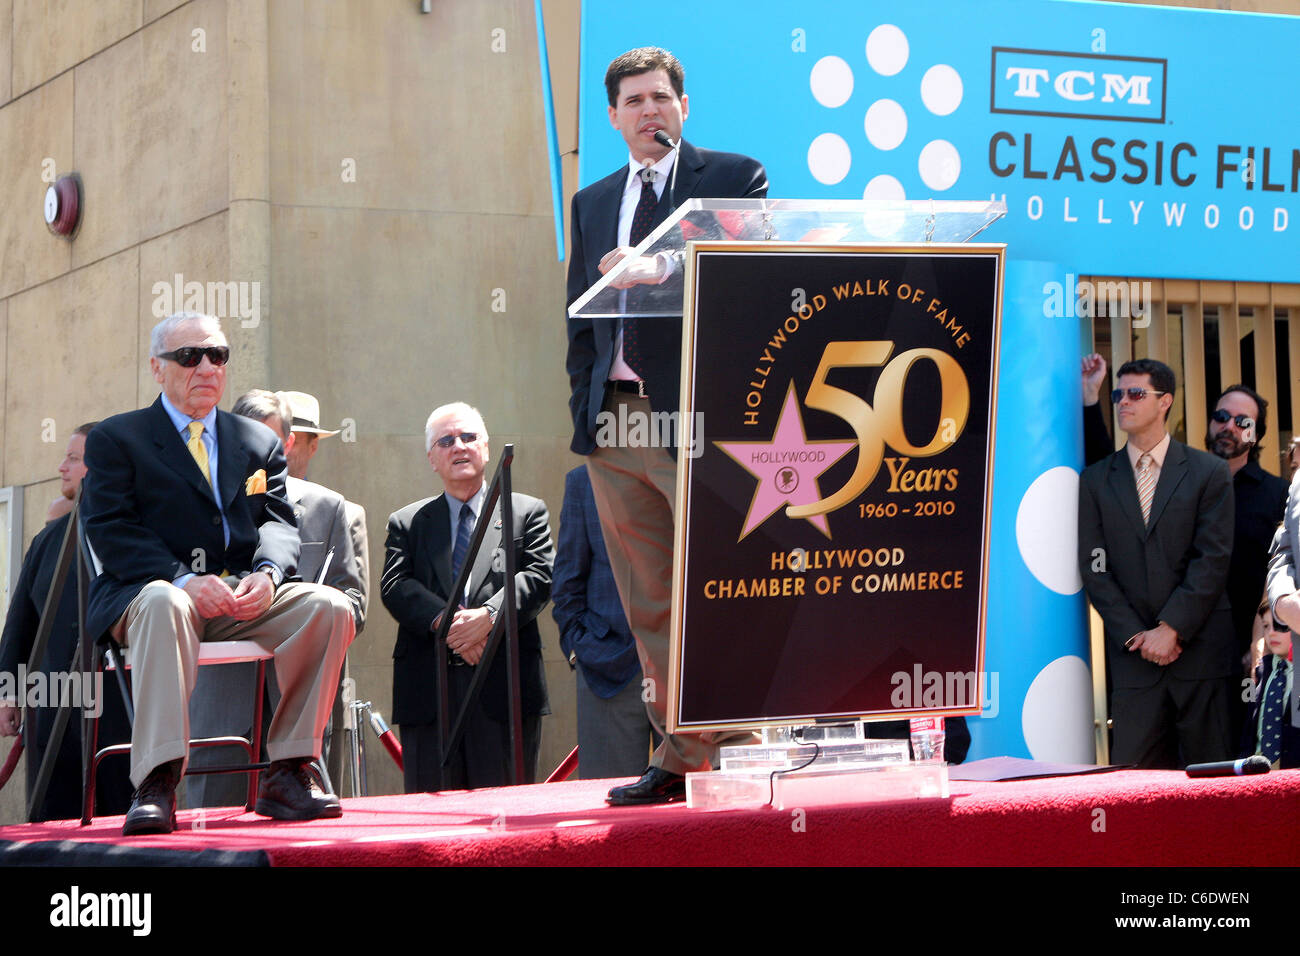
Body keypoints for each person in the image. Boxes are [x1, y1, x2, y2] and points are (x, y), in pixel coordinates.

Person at [564, 46, 767, 805]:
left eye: (661, 97)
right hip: (616, 424)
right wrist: (583, 412)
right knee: (648, 599)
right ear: (614, 117)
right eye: (634, 101)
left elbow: (753, 265)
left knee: (717, 587)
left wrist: (667, 267)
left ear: (686, 106)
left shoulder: (732, 177)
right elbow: (577, 326)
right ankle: (680, 755)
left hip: (697, 417)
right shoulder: (591, 203)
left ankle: (742, 749)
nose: (650, 110)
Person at [80, 312, 355, 835]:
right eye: (189, 356)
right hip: (148, 597)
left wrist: (270, 573)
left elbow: (278, 521)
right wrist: (182, 578)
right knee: (167, 600)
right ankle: (157, 780)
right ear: (157, 369)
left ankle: (289, 770)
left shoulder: (256, 441)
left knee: (330, 607)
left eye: (218, 355)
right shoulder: (118, 439)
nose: (206, 366)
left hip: (236, 597)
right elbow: (109, 529)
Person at [187, 389, 367, 807]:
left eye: (271, 439)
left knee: (302, 836)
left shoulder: (331, 508)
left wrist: (296, 609)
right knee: (211, 832)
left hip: (300, 700)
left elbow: (352, 604)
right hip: (224, 700)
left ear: (287, 442)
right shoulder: (196, 499)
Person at [381, 403, 554, 792]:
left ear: (487, 448)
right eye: (446, 441)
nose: (459, 446)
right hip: (429, 694)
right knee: (434, 820)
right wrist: (452, 626)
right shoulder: (407, 522)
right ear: (431, 458)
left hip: (504, 690)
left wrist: (489, 618)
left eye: (468, 437)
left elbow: (541, 576)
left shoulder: (526, 513)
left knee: (506, 821)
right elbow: (396, 585)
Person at [1078, 358, 1236, 768]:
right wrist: (1137, 636)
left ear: (1164, 401)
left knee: (1212, 792)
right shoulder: (1095, 480)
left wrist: (1172, 629)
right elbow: (1095, 566)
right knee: (1136, 796)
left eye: (1135, 393)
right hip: (1134, 665)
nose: (1123, 403)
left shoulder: (1210, 472)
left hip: (1201, 657)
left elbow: (1212, 559)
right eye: (1118, 395)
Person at [0, 424, 132, 821]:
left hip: (118, 706)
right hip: (51, 702)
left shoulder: (137, 536)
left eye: (74, 459)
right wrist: (8, 693)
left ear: (102, 466)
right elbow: (20, 624)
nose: (61, 467)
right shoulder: (47, 540)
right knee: (50, 824)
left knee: (120, 823)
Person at [276, 388, 370, 792]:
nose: (282, 444)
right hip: (233, 697)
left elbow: (355, 605)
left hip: (310, 696)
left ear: (312, 445)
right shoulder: (221, 502)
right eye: (273, 433)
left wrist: (301, 616)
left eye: (292, 435)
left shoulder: (341, 512)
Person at [551, 465, 656, 779]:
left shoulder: (695, 473)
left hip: (687, 675)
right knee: (610, 809)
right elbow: (567, 580)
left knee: (699, 812)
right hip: (609, 668)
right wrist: (578, 648)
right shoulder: (584, 481)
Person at [1203, 384, 1288, 733]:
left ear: (1256, 434)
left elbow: (1283, 573)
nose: (1230, 426)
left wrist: (1263, 638)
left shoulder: (1279, 494)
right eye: (1222, 417)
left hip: (1253, 651)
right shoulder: (1181, 485)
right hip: (1188, 652)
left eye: (1243, 421)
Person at [1239, 599, 1297, 768]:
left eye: (1281, 625)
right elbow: (1247, 731)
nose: (1271, 633)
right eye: (1265, 626)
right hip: (1257, 776)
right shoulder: (1258, 672)